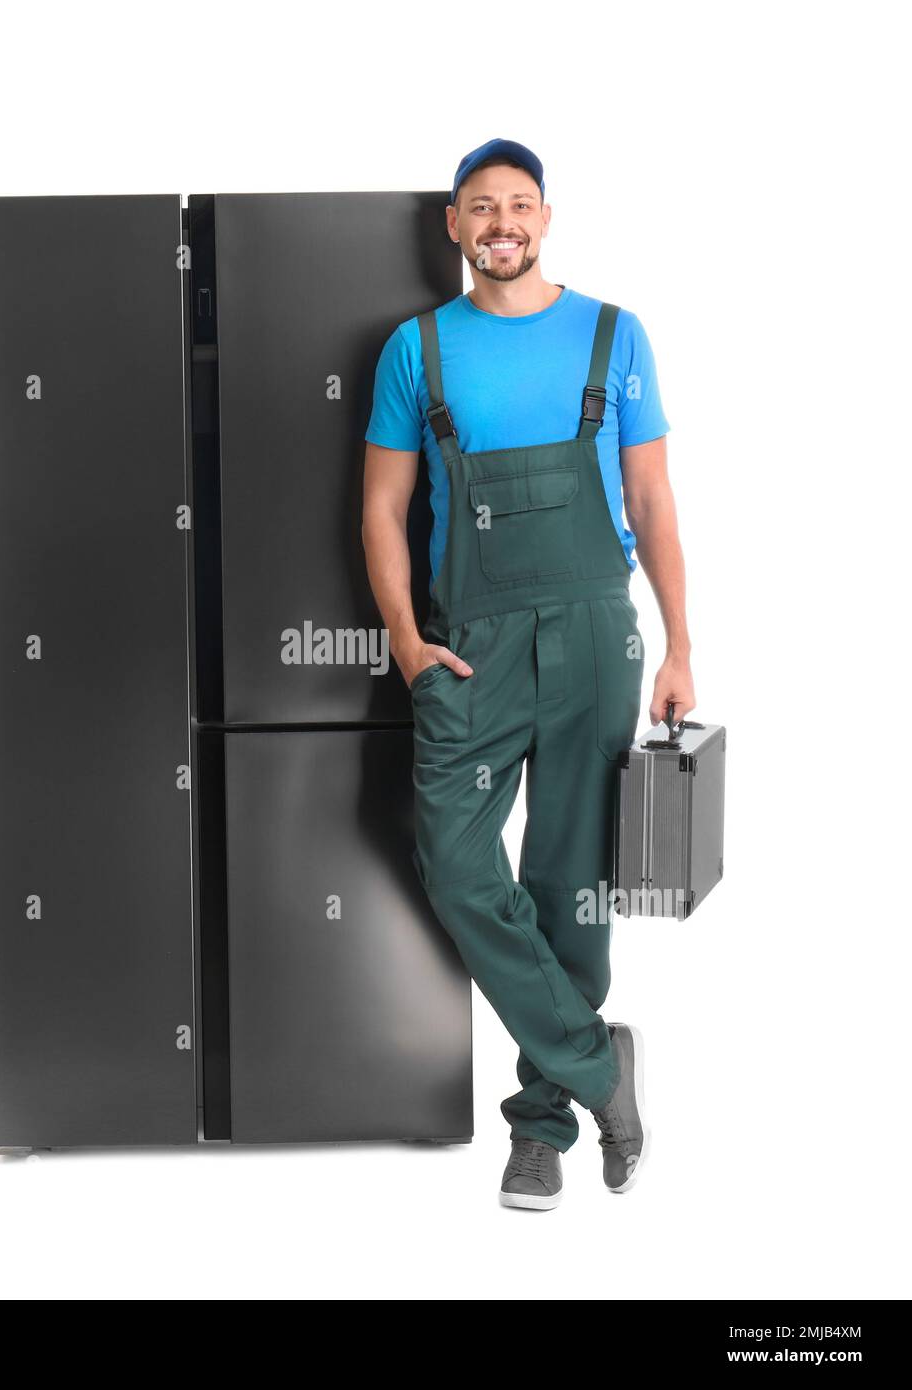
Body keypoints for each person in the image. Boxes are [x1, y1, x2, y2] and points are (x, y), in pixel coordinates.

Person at [361, 138, 694, 1209]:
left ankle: (543, 1125)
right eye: (479, 208)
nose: (500, 223)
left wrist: (682, 643)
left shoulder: (614, 333)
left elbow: (651, 502)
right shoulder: (419, 349)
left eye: (518, 206)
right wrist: (409, 642)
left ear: (544, 219)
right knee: (456, 862)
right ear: (453, 227)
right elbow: (380, 509)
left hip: (599, 632)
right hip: (473, 642)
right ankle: (602, 1062)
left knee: (568, 885)